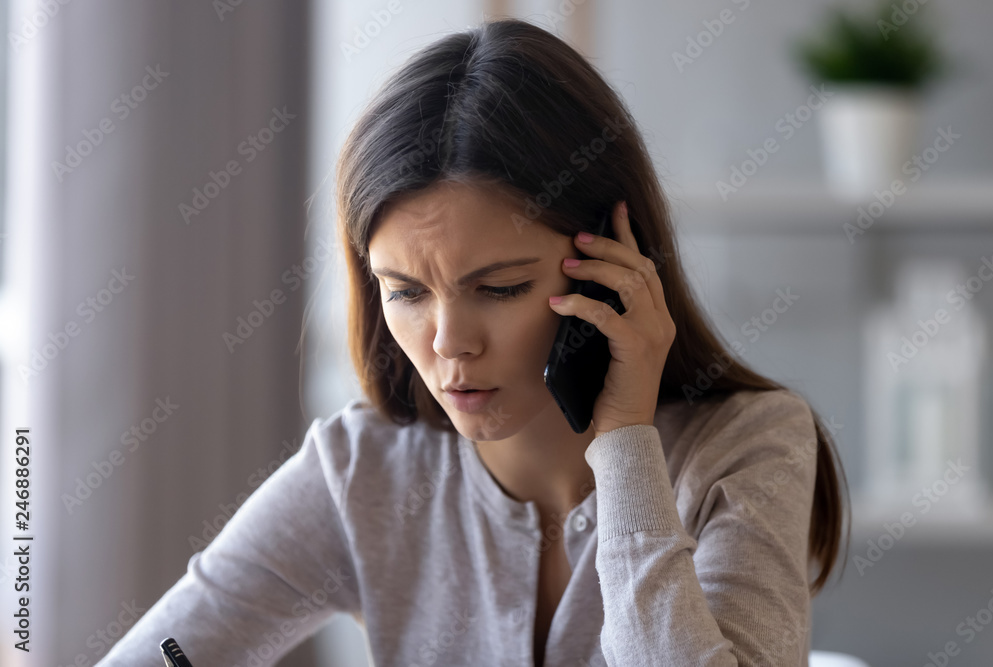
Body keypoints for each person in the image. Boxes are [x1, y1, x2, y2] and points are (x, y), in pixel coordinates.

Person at [96, 17, 849, 667]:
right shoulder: (363, 472)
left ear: (613, 269)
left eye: (499, 288)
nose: (449, 343)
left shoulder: (751, 446)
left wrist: (624, 444)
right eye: (406, 292)